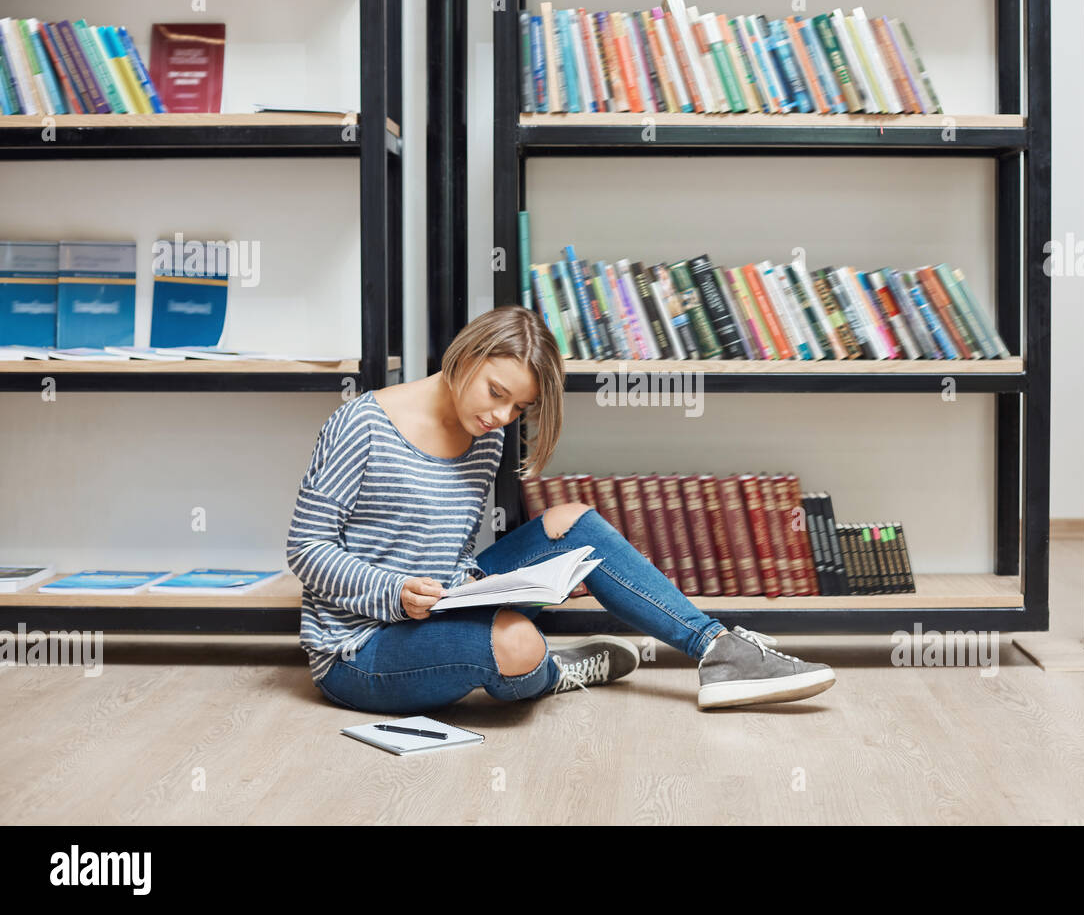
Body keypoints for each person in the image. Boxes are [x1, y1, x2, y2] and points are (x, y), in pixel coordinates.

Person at [286, 304, 835, 714]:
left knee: (571, 521)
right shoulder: (361, 424)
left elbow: (448, 551)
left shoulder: (486, 437)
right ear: (466, 355)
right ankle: (548, 670)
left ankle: (718, 649)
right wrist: (393, 589)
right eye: (496, 392)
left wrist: (494, 585)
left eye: (518, 407)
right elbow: (305, 549)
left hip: (439, 605)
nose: (502, 416)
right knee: (520, 645)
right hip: (358, 647)